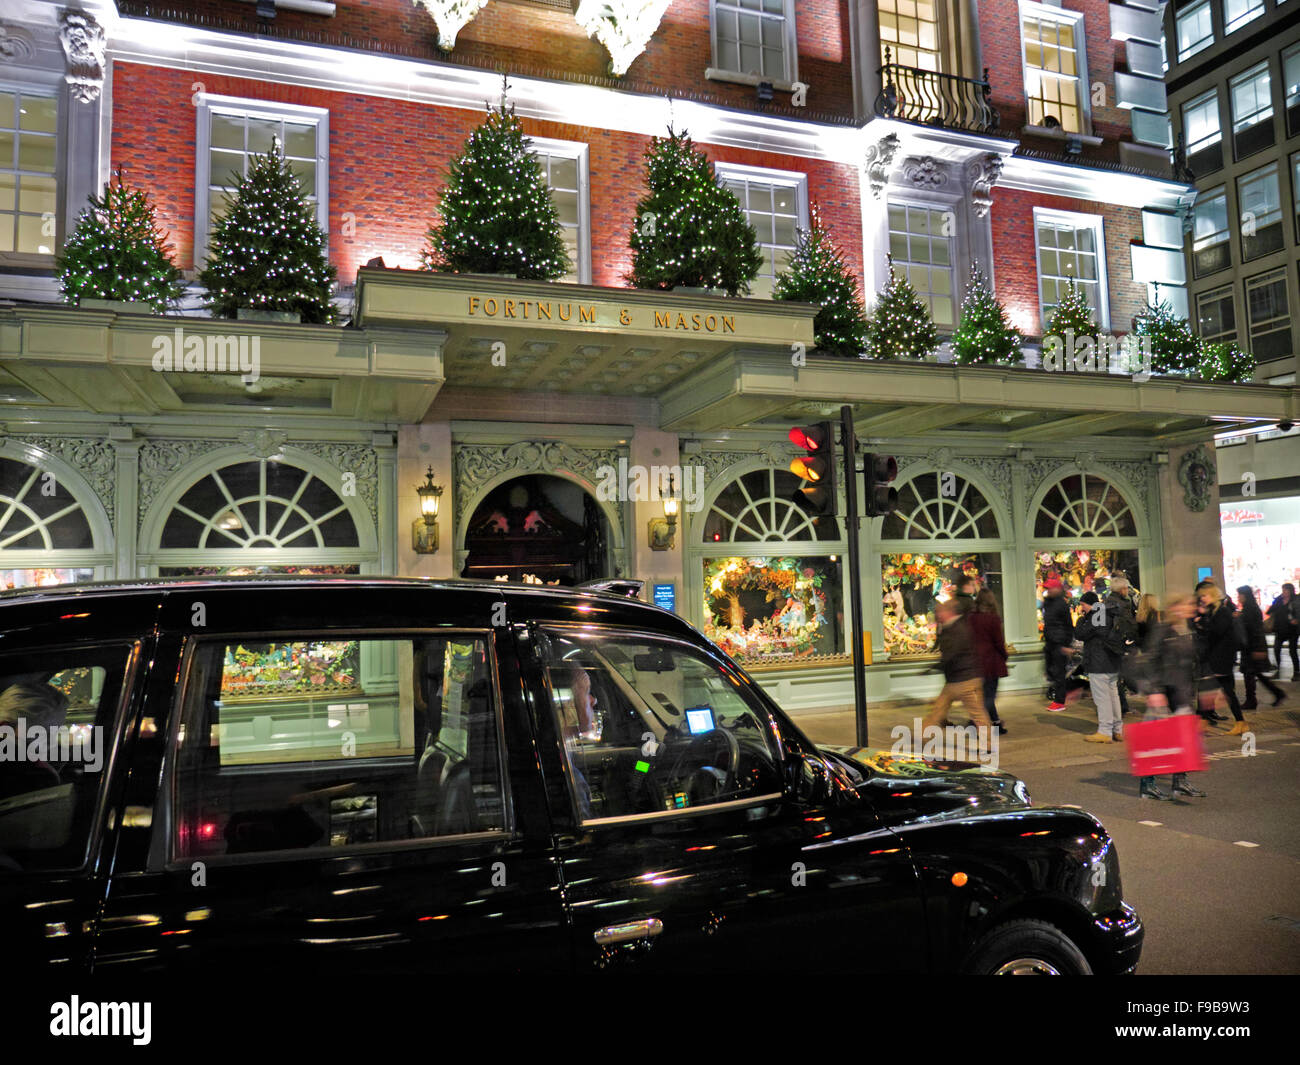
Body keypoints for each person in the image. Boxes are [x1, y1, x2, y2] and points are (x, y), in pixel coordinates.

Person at [1128, 595, 1208, 800]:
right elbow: (1148, 661)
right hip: (1163, 693)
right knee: (1155, 741)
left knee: (1183, 739)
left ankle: (1180, 782)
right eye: (1188, 604)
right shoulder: (1163, 630)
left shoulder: (1188, 630)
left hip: (1180, 694)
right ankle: (1147, 784)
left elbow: (1192, 663)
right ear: (1176, 607)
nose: (1192, 608)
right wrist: (1154, 691)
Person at [921, 598, 994, 748]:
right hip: (956, 679)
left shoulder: (959, 628)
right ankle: (922, 737)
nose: (938, 615)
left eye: (940, 612)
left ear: (949, 612)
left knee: (977, 714)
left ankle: (988, 744)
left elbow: (952, 652)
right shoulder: (949, 626)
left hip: (966, 679)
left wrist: (936, 666)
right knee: (938, 709)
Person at [1195, 584, 1248, 735]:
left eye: (1204, 595)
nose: (1202, 598)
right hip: (1218, 657)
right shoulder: (1214, 612)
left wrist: (1203, 624)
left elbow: (1216, 632)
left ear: (1212, 596)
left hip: (1222, 658)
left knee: (1213, 690)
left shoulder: (1222, 612)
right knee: (1221, 690)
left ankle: (1205, 722)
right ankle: (1239, 722)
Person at [1075, 591, 1123, 742]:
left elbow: (1080, 634)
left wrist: (1081, 619)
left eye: (1083, 605)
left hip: (1099, 662)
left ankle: (1105, 731)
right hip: (1111, 661)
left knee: (1102, 698)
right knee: (1113, 696)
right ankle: (1117, 730)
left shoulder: (1097, 615)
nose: (1082, 609)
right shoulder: (1108, 613)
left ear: (1089, 604)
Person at [967, 588, 1009, 734]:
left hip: (975, 661)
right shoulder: (993, 618)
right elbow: (998, 641)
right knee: (989, 695)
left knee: (982, 694)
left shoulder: (971, 618)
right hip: (991, 661)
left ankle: (994, 722)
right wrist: (1005, 655)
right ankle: (979, 723)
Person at [1237, 585, 1285, 709]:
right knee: (1255, 673)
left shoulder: (1250, 609)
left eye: (1240, 595)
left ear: (1244, 595)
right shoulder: (1250, 608)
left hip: (1252, 647)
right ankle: (1277, 693)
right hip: (1251, 646)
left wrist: (1257, 648)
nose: (1238, 598)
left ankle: (1252, 700)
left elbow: (1255, 630)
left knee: (1250, 674)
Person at [1105, 572, 1139, 716]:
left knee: (1117, 678)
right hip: (1120, 644)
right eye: (1126, 588)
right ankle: (1121, 708)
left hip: (1114, 644)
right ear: (1121, 589)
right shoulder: (1120, 604)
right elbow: (1125, 625)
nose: (1128, 591)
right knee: (1121, 677)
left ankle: (1121, 707)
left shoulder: (1109, 602)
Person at [1041, 576, 1073, 711]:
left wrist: (1066, 644)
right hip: (1051, 641)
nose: (1047, 591)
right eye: (1047, 588)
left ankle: (1059, 701)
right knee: (1051, 671)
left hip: (1059, 643)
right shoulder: (1048, 603)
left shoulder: (1061, 605)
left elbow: (1068, 625)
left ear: (1057, 589)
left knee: (1059, 672)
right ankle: (1062, 696)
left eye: (1049, 588)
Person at [1267, 583, 1299, 680]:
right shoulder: (1279, 600)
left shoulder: (1295, 600)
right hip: (1280, 629)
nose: (1284, 592)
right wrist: (1276, 600)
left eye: (1286, 590)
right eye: (1283, 590)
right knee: (1276, 649)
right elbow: (1269, 611)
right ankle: (1278, 670)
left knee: (1292, 651)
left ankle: (1297, 672)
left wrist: (1296, 620)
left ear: (1290, 591)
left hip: (1292, 630)